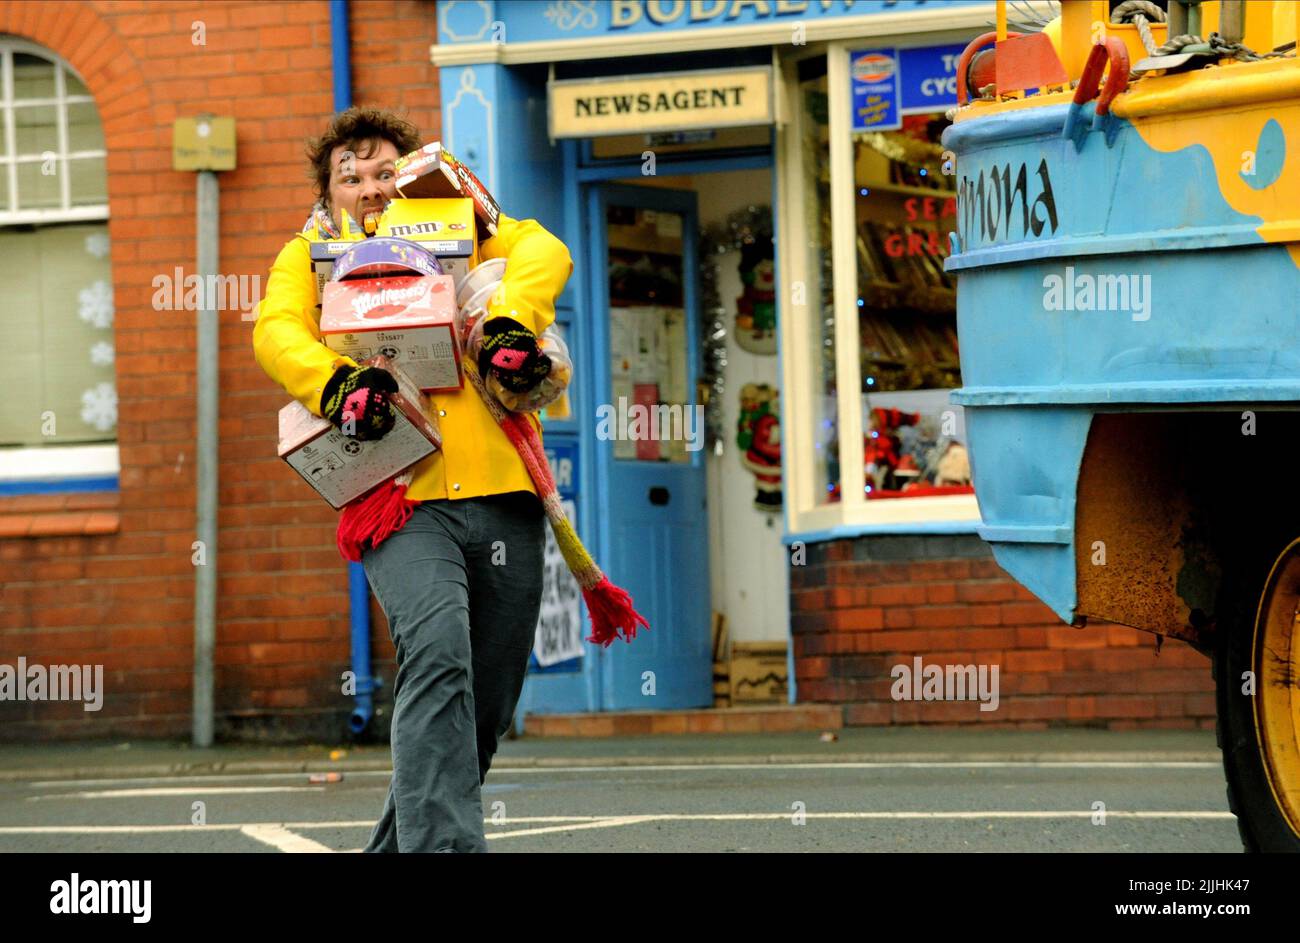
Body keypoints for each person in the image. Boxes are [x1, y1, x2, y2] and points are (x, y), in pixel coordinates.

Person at [252, 107, 573, 852]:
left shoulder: (460, 224)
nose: (369, 185)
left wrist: (506, 321)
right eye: (350, 174)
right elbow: (277, 330)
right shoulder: (309, 257)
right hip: (400, 501)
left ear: (411, 175)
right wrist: (337, 384)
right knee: (438, 655)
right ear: (329, 192)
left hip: (502, 492)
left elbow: (543, 248)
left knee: (485, 704)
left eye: (384, 169)